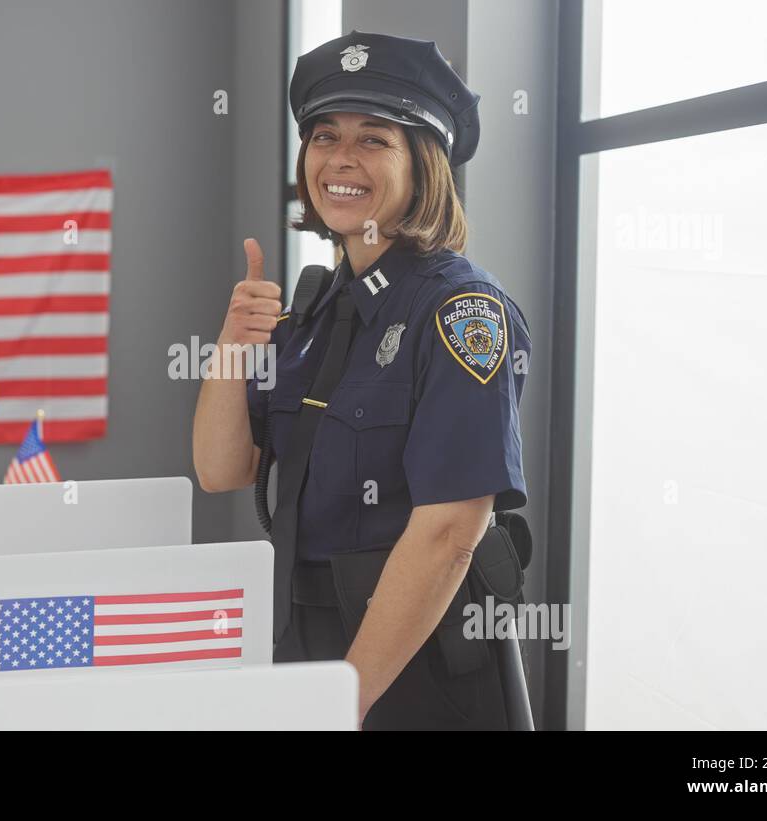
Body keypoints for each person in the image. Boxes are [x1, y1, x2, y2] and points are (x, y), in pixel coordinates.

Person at [192, 30, 532, 730]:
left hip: (413, 667)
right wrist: (232, 343)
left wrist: (344, 699)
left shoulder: (460, 309)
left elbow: (449, 532)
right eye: (323, 135)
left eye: (374, 138)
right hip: (307, 643)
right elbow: (221, 468)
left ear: (424, 163)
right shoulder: (316, 305)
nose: (340, 158)